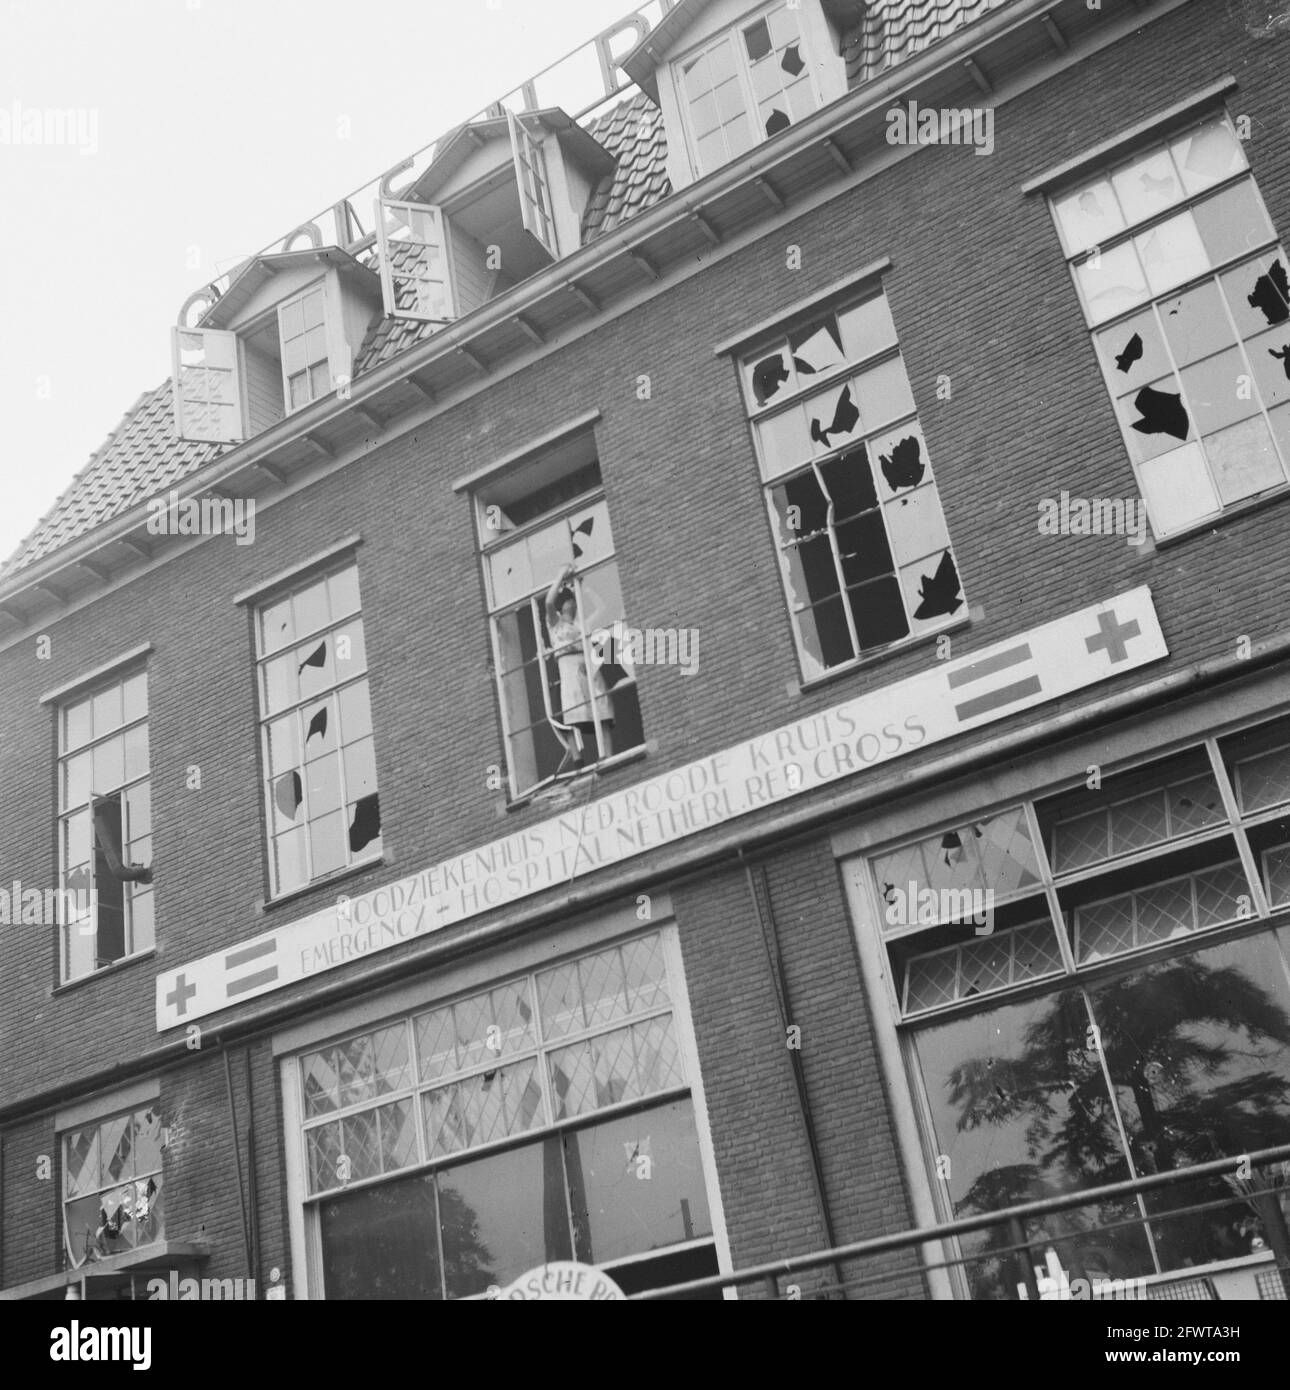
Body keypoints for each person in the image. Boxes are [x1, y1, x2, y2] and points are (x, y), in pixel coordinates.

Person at [545, 561, 613, 770]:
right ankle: (578, 759)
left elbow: (602, 608)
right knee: (572, 711)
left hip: (586, 666)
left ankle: (607, 755)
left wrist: (583, 586)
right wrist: (560, 575)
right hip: (568, 668)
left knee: (600, 707)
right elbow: (548, 601)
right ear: (562, 605)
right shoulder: (554, 623)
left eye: (573, 601)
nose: (571, 604)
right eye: (568, 601)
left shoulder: (582, 623)